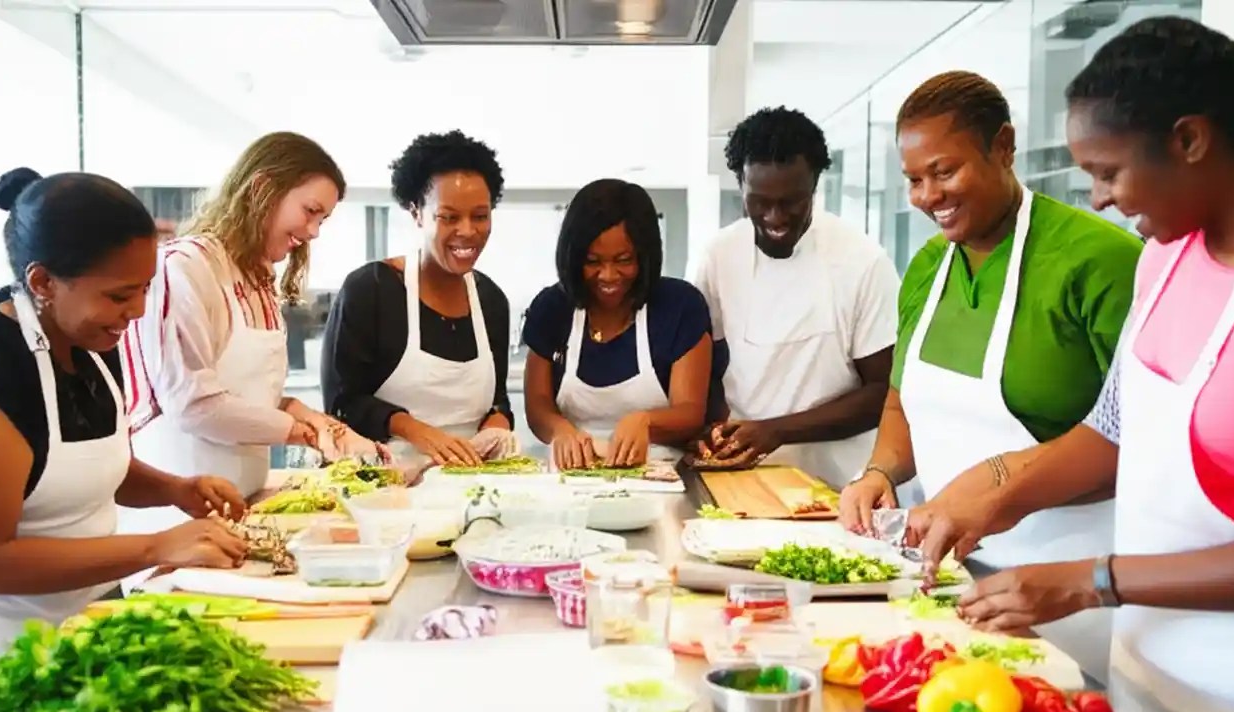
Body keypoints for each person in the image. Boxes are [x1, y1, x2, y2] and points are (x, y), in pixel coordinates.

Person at [908, 18, 1234, 712]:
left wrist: (1096, 579)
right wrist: (997, 485)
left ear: (1189, 140)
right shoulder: (1164, 260)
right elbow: (1116, 429)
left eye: (1107, 172)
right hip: (1147, 670)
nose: (1097, 198)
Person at [833, 70, 1142, 680]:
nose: (927, 196)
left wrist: (999, 485)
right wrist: (879, 471)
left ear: (1003, 146)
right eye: (914, 180)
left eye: (944, 172)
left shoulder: (1100, 262)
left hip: (1071, 584)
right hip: (951, 575)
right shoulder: (926, 266)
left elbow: (1141, 437)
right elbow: (904, 397)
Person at [0, 168, 247, 675]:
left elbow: (83, 467)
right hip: (8, 665)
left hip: (98, 630)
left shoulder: (90, 342)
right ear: (42, 282)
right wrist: (155, 546)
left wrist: (175, 489)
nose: (137, 311)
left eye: (144, 289)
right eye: (120, 296)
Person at [119, 133, 379, 588]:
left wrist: (326, 428)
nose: (314, 231)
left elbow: (257, 400)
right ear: (262, 189)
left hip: (239, 513)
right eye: (310, 211)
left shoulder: (257, 277)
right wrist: (305, 433)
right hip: (176, 529)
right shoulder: (185, 268)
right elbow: (193, 404)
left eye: (324, 219)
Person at [690, 106, 899, 488]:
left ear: (815, 187)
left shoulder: (863, 262)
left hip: (839, 484)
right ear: (740, 184)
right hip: (739, 476)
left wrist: (776, 431)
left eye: (791, 202)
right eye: (759, 201)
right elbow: (707, 369)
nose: (774, 216)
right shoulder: (718, 257)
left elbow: (882, 393)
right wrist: (717, 431)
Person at [322, 130, 516, 467]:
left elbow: (497, 401)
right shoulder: (371, 290)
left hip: (470, 486)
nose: (468, 231)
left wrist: (497, 427)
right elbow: (342, 403)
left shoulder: (491, 301)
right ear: (417, 213)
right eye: (449, 217)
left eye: (481, 216)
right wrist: (416, 431)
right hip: (385, 485)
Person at [522, 179, 713, 469]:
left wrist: (645, 421)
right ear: (573, 258)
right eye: (592, 261)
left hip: (658, 476)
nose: (608, 275)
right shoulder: (552, 309)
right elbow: (538, 405)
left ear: (645, 256)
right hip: (570, 476)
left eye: (624, 260)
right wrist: (560, 431)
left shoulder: (680, 306)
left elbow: (690, 412)